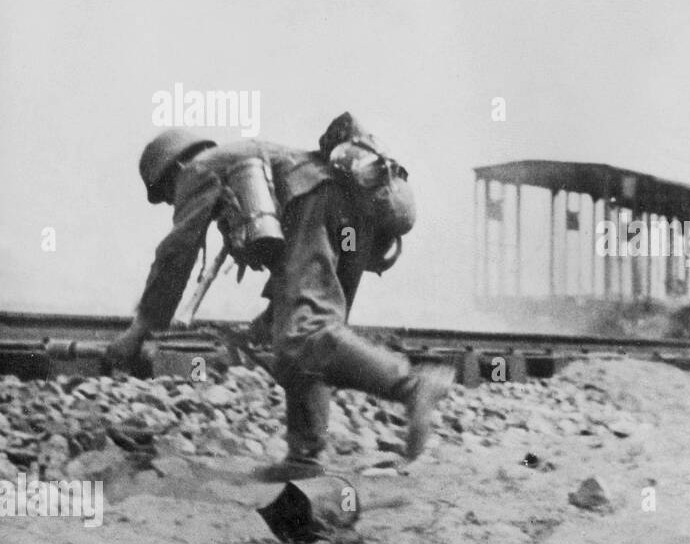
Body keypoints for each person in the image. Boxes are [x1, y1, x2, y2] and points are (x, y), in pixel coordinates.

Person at [105, 115, 450, 480]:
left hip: (316, 203)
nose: (173, 201)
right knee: (294, 334)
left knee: (305, 332)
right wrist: (275, 313)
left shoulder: (199, 168)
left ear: (175, 167)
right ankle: (305, 457)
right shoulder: (244, 160)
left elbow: (177, 253)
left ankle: (413, 385)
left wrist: (140, 328)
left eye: (167, 194)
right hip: (348, 218)